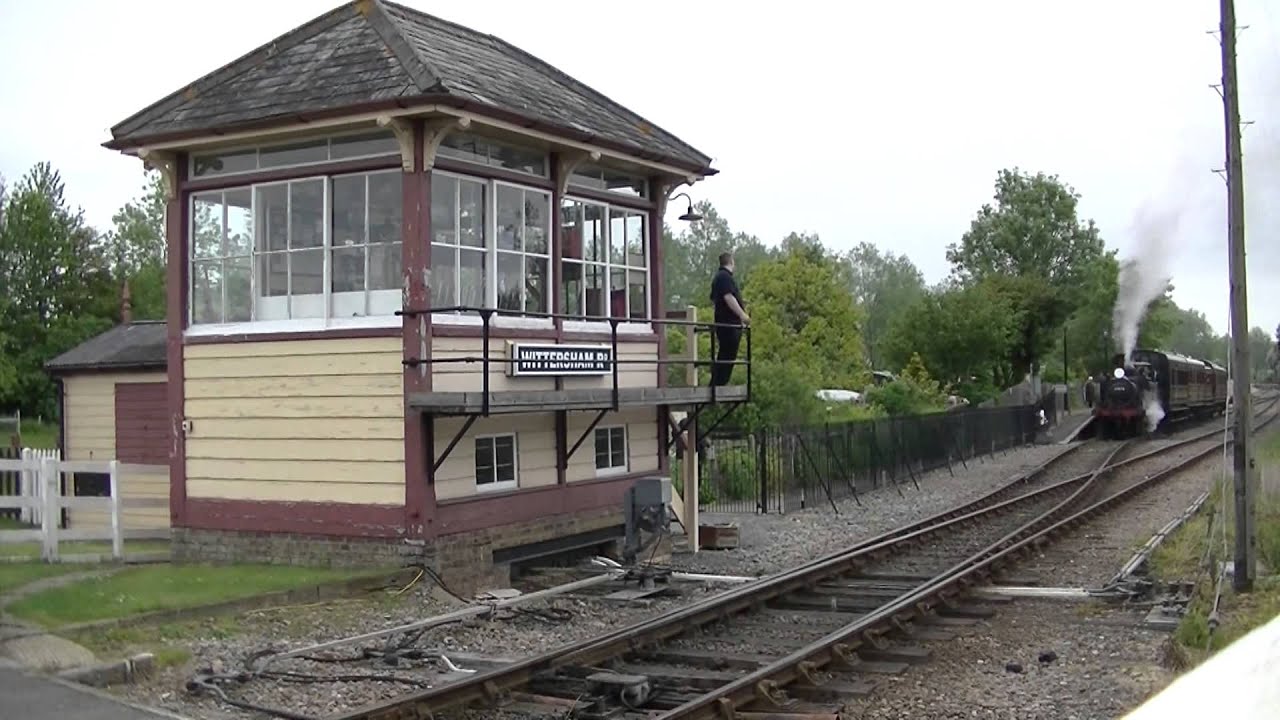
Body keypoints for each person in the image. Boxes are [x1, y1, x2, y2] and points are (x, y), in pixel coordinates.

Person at [710, 252, 750, 386]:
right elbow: (728, 297)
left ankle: (717, 383)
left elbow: (719, 299)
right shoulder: (725, 277)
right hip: (729, 325)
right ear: (731, 262)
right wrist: (742, 315)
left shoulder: (719, 278)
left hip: (724, 323)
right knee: (727, 355)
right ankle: (718, 385)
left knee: (725, 355)